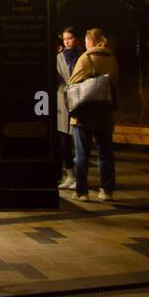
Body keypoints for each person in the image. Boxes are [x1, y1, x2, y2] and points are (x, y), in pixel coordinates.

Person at [68, 28, 119, 202]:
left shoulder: (85, 58)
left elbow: (73, 84)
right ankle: (107, 190)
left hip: (84, 115)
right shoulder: (112, 58)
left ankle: (82, 192)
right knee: (105, 153)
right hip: (105, 113)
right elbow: (115, 85)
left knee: (82, 154)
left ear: (90, 41)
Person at [56, 27, 83, 190]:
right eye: (64, 38)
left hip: (78, 99)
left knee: (79, 140)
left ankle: (80, 177)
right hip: (62, 100)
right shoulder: (59, 57)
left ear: (77, 39)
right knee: (64, 140)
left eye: (70, 38)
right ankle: (70, 175)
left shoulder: (82, 57)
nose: (66, 41)